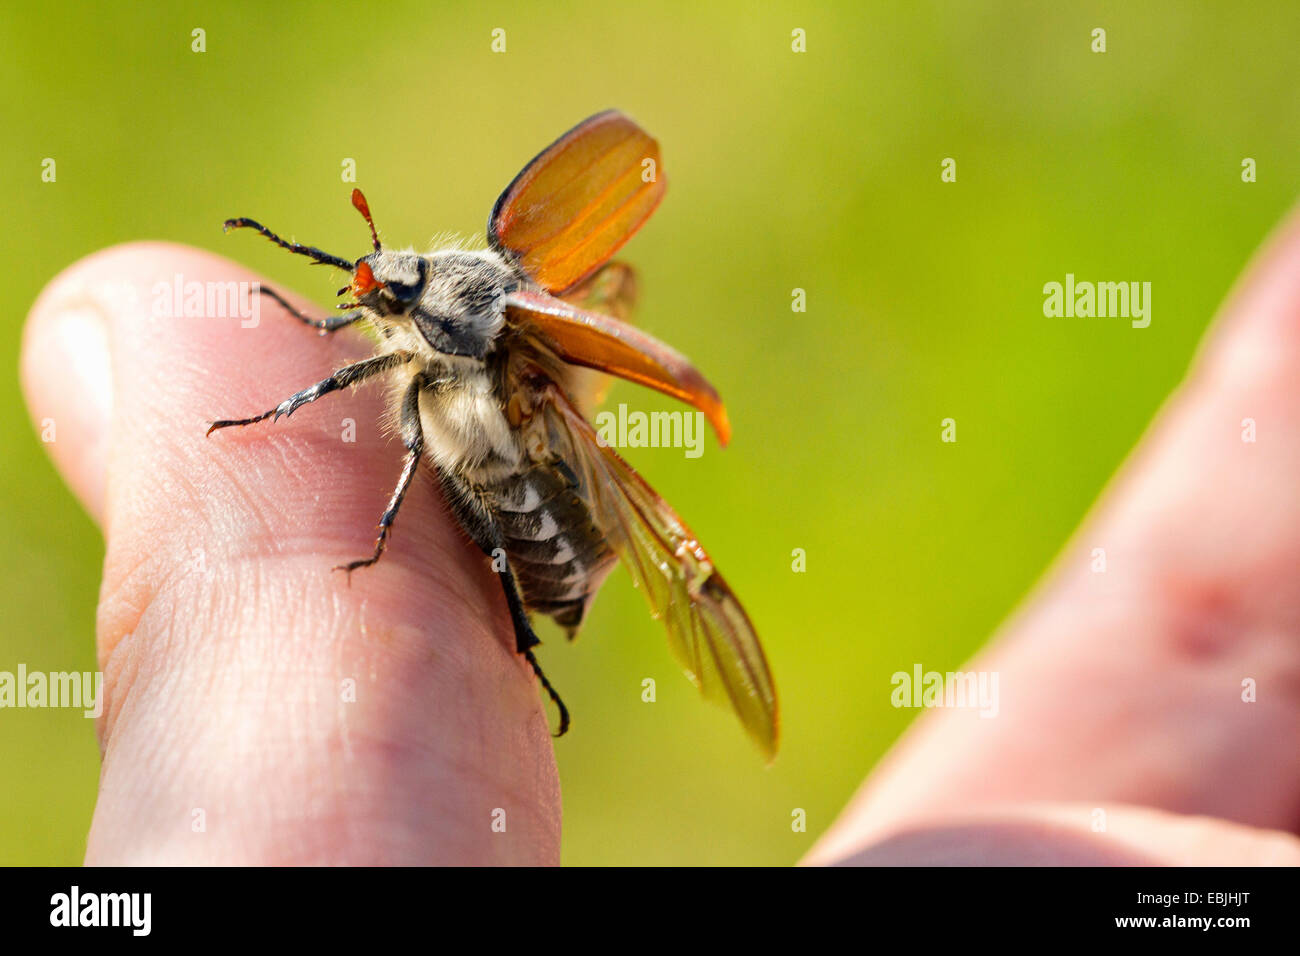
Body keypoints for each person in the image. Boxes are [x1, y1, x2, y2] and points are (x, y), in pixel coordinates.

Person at [21, 211, 1300, 865]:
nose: (377, 296)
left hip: (554, 522)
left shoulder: (468, 362)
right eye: (371, 284)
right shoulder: (421, 329)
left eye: (392, 288)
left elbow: (435, 433)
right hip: (503, 441)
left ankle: (523, 626)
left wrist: (279, 408)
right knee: (413, 433)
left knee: (439, 456)